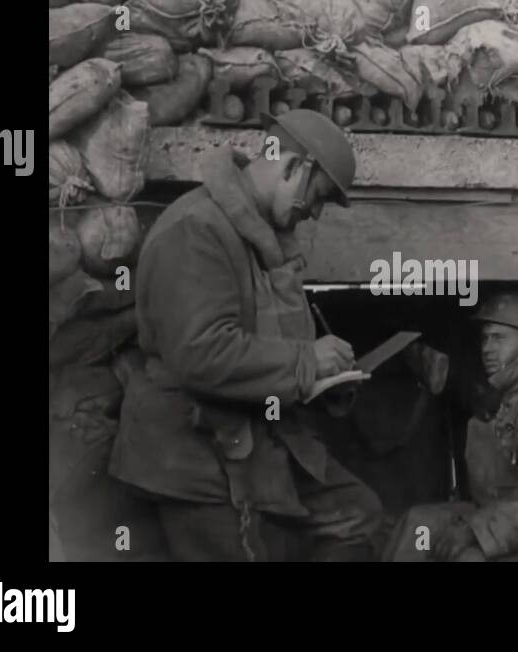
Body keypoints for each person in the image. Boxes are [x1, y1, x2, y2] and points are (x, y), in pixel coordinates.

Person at [108, 109, 382, 562]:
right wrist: (305, 361)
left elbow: (266, 340)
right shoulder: (196, 230)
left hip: (246, 440)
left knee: (358, 514)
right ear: (294, 167)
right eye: (318, 197)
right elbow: (202, 353)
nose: (314, 214)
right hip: (190, 457)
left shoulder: (261, 235)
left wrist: (324, 374)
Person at [381, 291, 518, 561]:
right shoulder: (508, 394)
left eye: (499, 338)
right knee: (418, 526)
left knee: (467, 558)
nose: (487, 349)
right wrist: (478, 525)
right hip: (502, 519)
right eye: (485, 338)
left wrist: (477, 530)